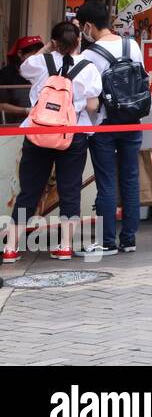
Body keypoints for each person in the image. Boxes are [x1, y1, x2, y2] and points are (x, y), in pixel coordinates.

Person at [2, 23, 102, 263]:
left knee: (29, 191)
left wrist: (47, 47)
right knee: (69, 190)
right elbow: (92, 105)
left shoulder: (39, 63)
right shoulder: (88, 68)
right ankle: (65, 247)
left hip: (37, 133)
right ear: (78, 40)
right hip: (72, 134)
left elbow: (24, 68)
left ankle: (11, 249)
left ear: (54, 42)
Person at [76, 1, 147, 257]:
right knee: (130, 179)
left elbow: (89, 98)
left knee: (106, 182)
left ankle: (107, 242)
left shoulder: (89, 55)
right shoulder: (133, 45)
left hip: (104, 124)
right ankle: (128, 239)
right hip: (132, 120)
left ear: (87, 25)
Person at [0, 35, 42, 125]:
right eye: (34, 55)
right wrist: (26, 111)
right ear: (20, 53)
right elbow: (2, 105)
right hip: (13, 127)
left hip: (41, 124)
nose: (38, 59)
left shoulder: (44, 71)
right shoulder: (6, 74)